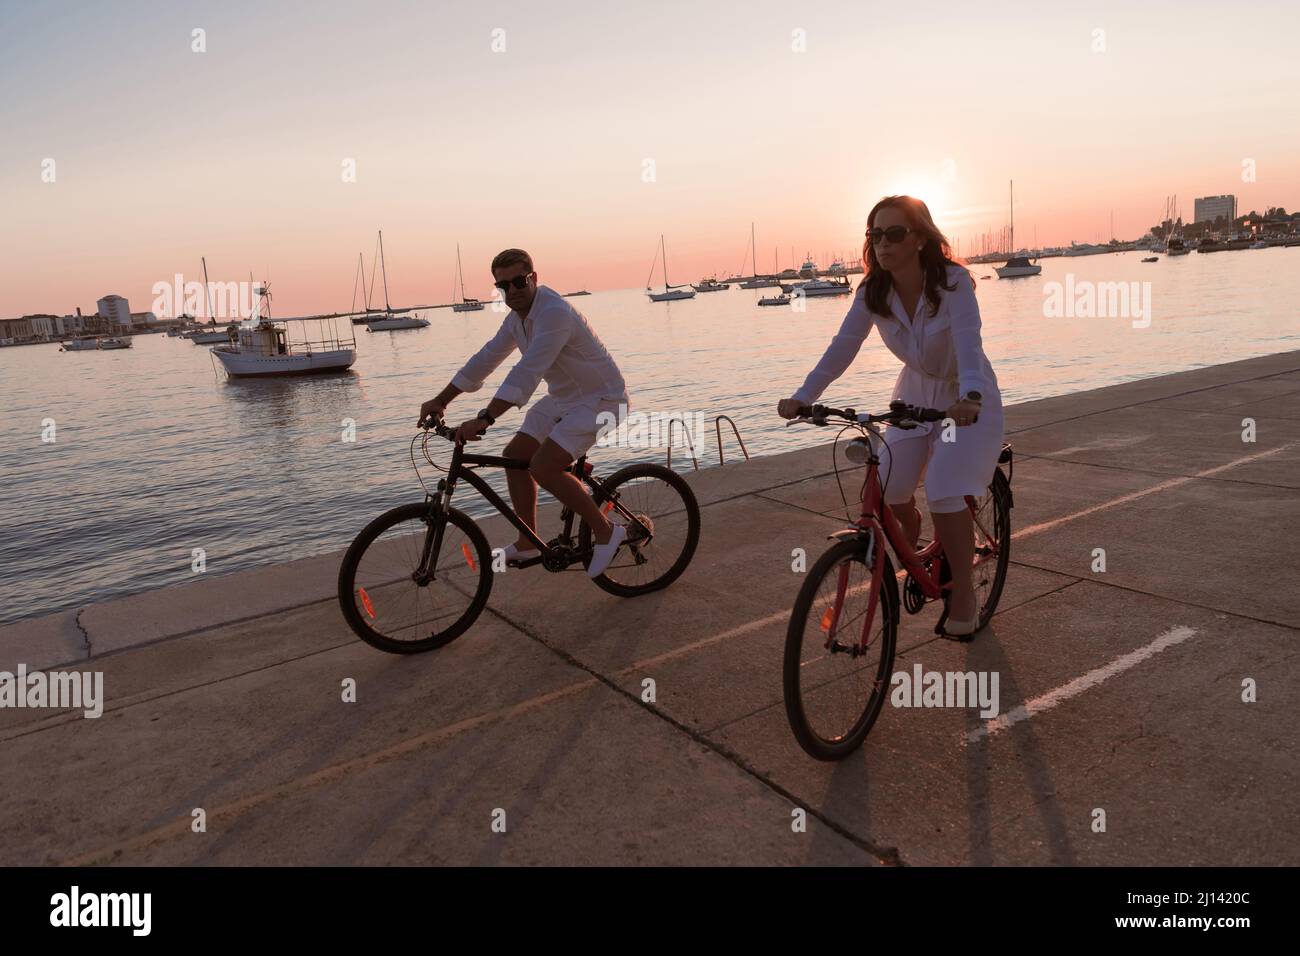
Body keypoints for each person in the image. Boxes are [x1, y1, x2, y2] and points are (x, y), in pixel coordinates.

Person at [777, 196, 1004, 637]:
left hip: (966, 395)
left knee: (942, 488)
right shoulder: (872, 291)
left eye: (894, 233)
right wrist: (804, 396)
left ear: (920, 239)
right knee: (887, 485)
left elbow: (968, 342)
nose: (882, 243)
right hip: (915, 393)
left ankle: (964, 595)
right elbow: (843, 346)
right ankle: (915, 533)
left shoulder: (952, 282)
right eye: (875, 234)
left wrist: (971, 396)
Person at [418, 248, 631, 578]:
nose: (512, 291)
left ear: (533, 277)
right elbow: (485, 358)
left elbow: (527, 372)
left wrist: (485, 418)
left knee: (543, 467)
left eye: (519, 282)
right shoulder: (516, 320)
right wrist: (441, 399)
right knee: (515, 454)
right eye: (503, 286)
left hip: (601, 399)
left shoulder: (554, 314)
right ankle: (527, 541)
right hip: (564, 398)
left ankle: (606, 532)